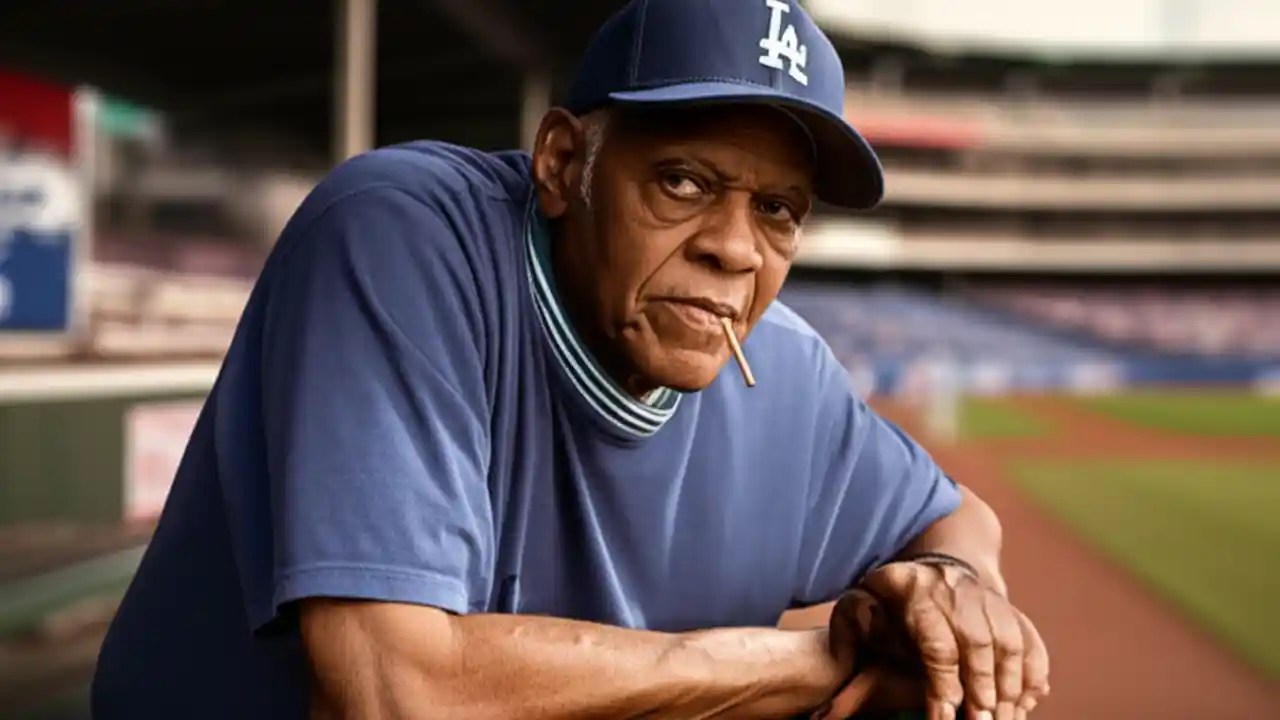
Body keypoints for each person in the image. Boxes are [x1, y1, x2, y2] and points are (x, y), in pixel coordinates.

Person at [92, 1, 1049, 718]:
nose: (737, 248)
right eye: (683, 180)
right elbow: (393, 689)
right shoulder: (404, 235)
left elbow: (958, 522)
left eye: (780, 210)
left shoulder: (787, 375)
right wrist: (810, 662)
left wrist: (950, 599)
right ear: (561, 162)